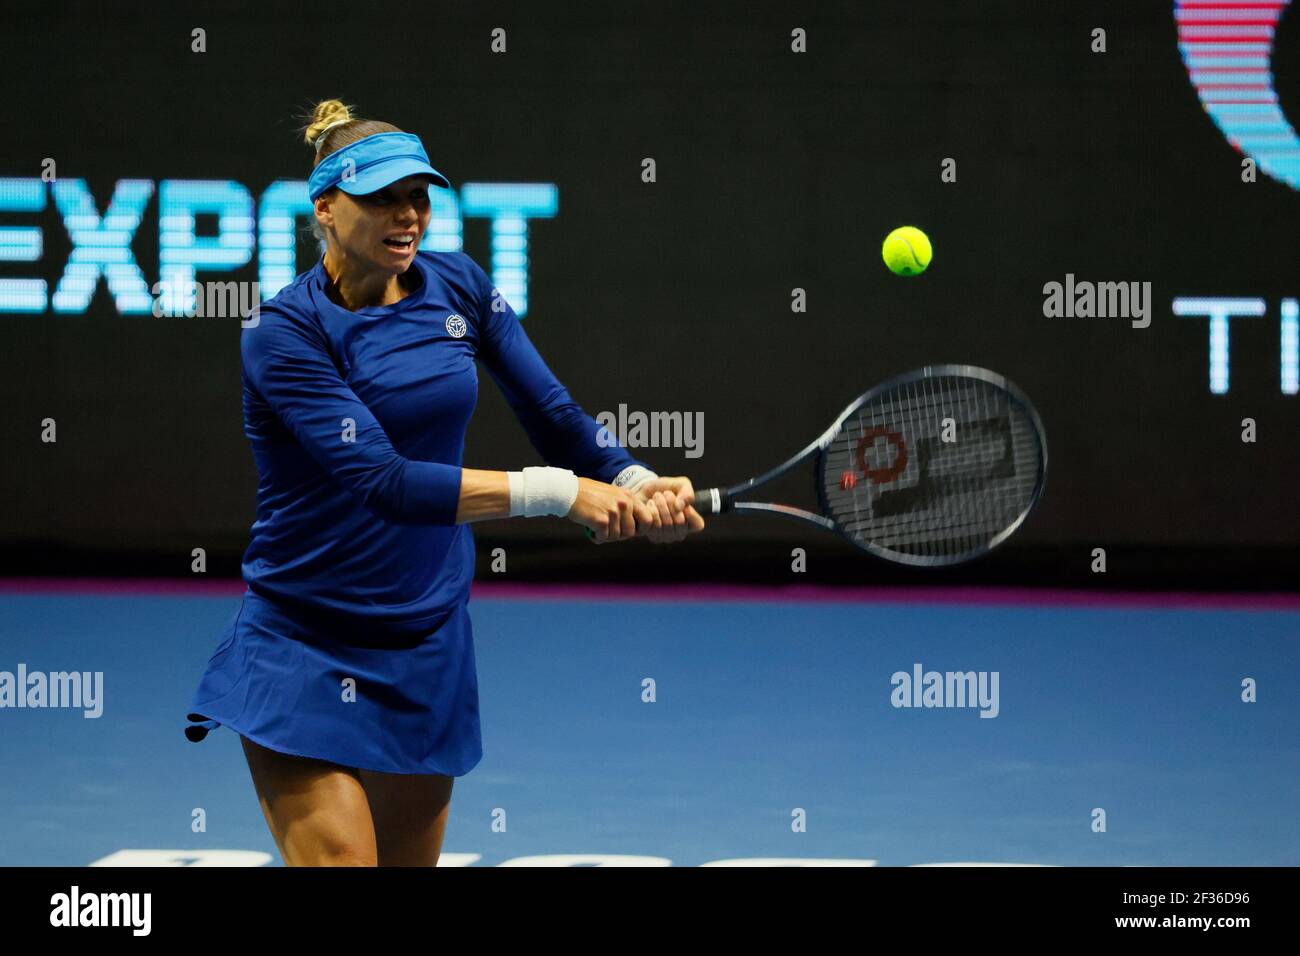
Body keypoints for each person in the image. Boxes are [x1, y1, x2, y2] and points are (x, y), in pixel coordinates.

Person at [185, 99, 704, 866]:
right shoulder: (281, 333)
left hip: (425, 634)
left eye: (419, 197)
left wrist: (632, 475)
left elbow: (552, 412)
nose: (408, 216)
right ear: (325, 208)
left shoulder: (460, 286)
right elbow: (383, 481)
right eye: (383, 199)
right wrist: (562, 494)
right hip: (302, 638)